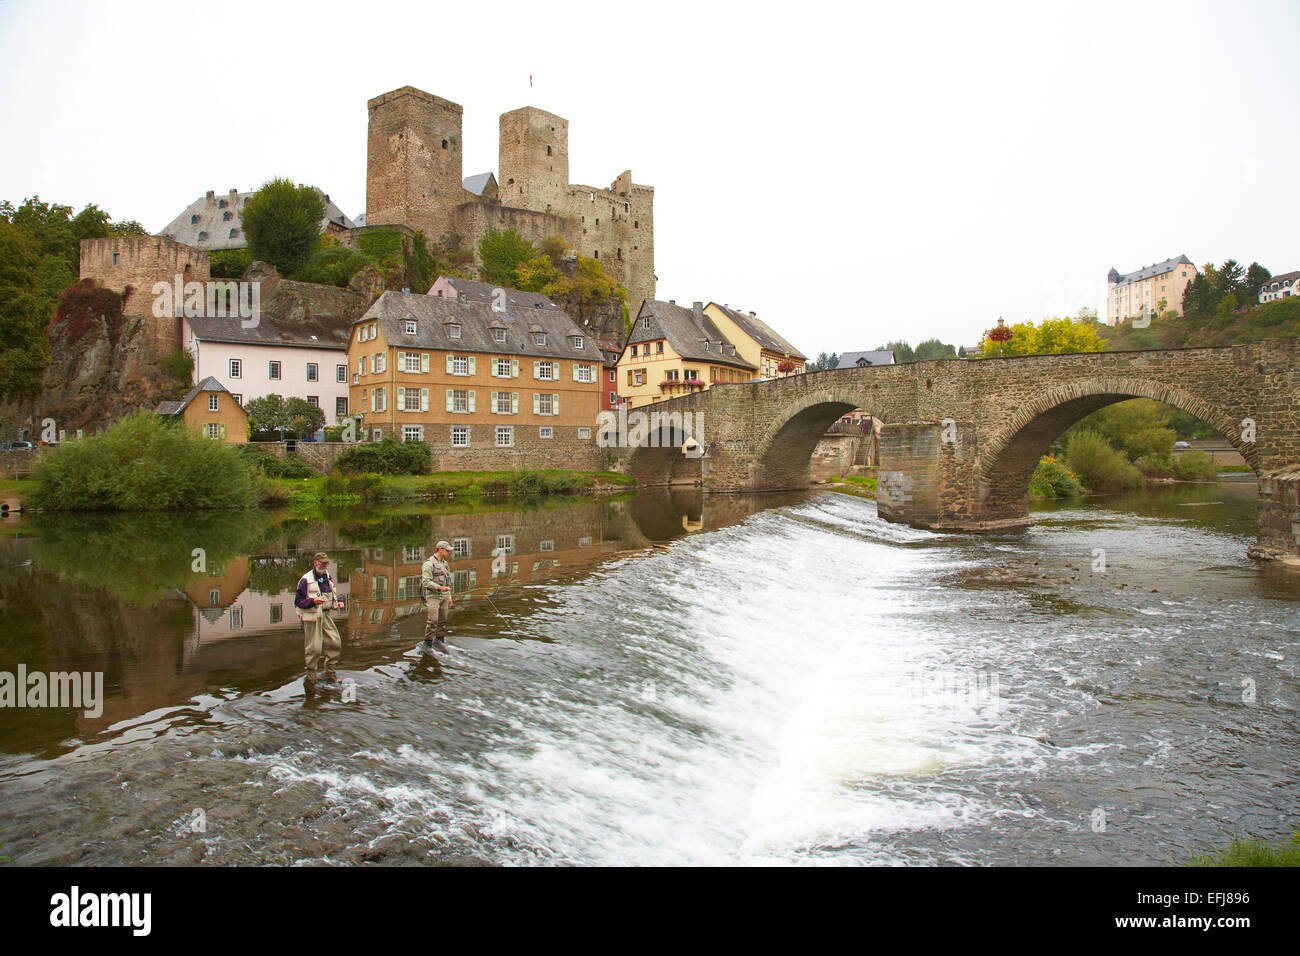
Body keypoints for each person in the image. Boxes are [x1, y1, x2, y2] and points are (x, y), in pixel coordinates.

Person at [296, 551, 342, 691]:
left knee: (335, 643)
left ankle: (329, 674)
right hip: (312, 616)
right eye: (323, 563)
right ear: (315, 563)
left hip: (326, 615)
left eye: (327, 563)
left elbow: (332, 595)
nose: (326, 565)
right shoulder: (305, 580)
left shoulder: (327, 576)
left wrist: (337, 604)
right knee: (314, 649)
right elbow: (298, 602)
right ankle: (311, 678)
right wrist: (312, 601)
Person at [421, 540, 454, 649]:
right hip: (432, 596)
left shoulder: (445, 564)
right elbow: (425, 582)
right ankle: (428, 642)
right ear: (440, 549)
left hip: (444, 596)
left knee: (443, 620)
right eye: (447, 550)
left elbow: (448, 582)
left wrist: (449, 597)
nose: (449, 552)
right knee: (433, 620)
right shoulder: (428, 564)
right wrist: (440, 588)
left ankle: (440, 640)